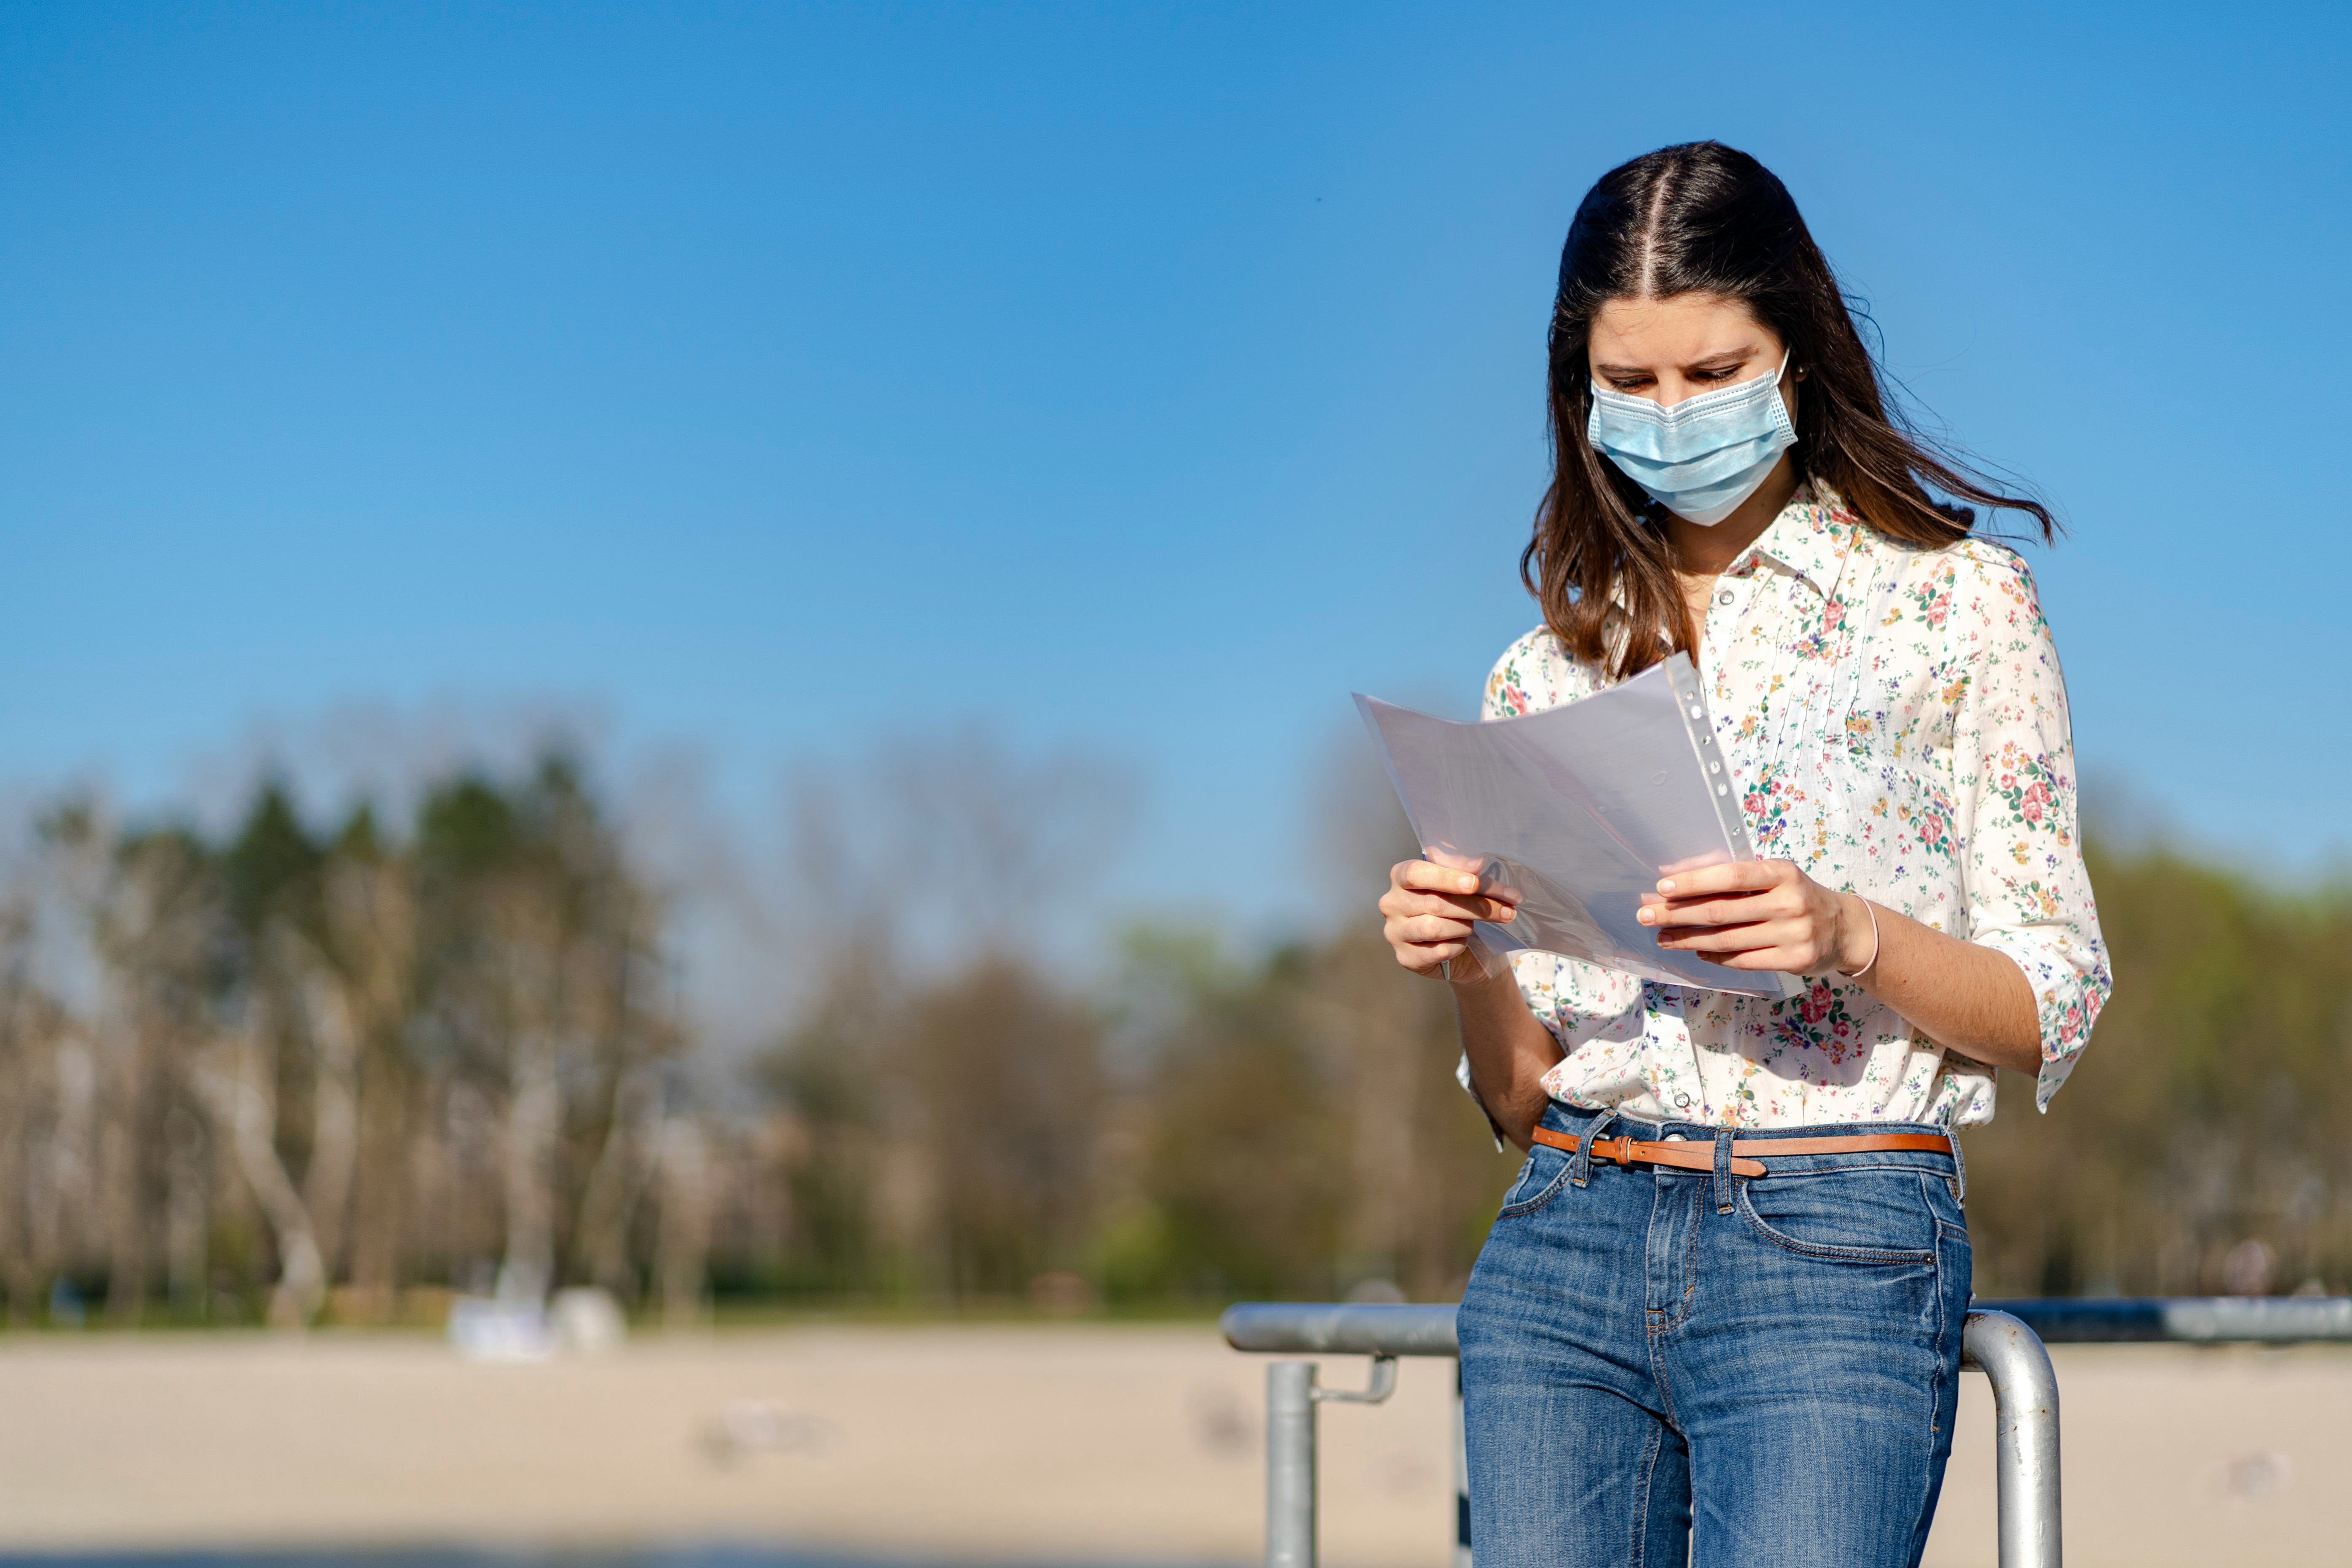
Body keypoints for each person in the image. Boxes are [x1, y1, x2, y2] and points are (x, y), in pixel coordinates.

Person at [1375, 142, 2109, 1567]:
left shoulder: (1958, 610)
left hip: (1836, 1238)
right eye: (1632, 383)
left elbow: (2054, 1002)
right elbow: (1523, 1102)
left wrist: (1854, 936)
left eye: (1714, 372)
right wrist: (1468, 959)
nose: (1672, 413)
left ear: (1798, 350)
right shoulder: (1542, 672)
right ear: (1578, 390)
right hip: (1563, 1231)